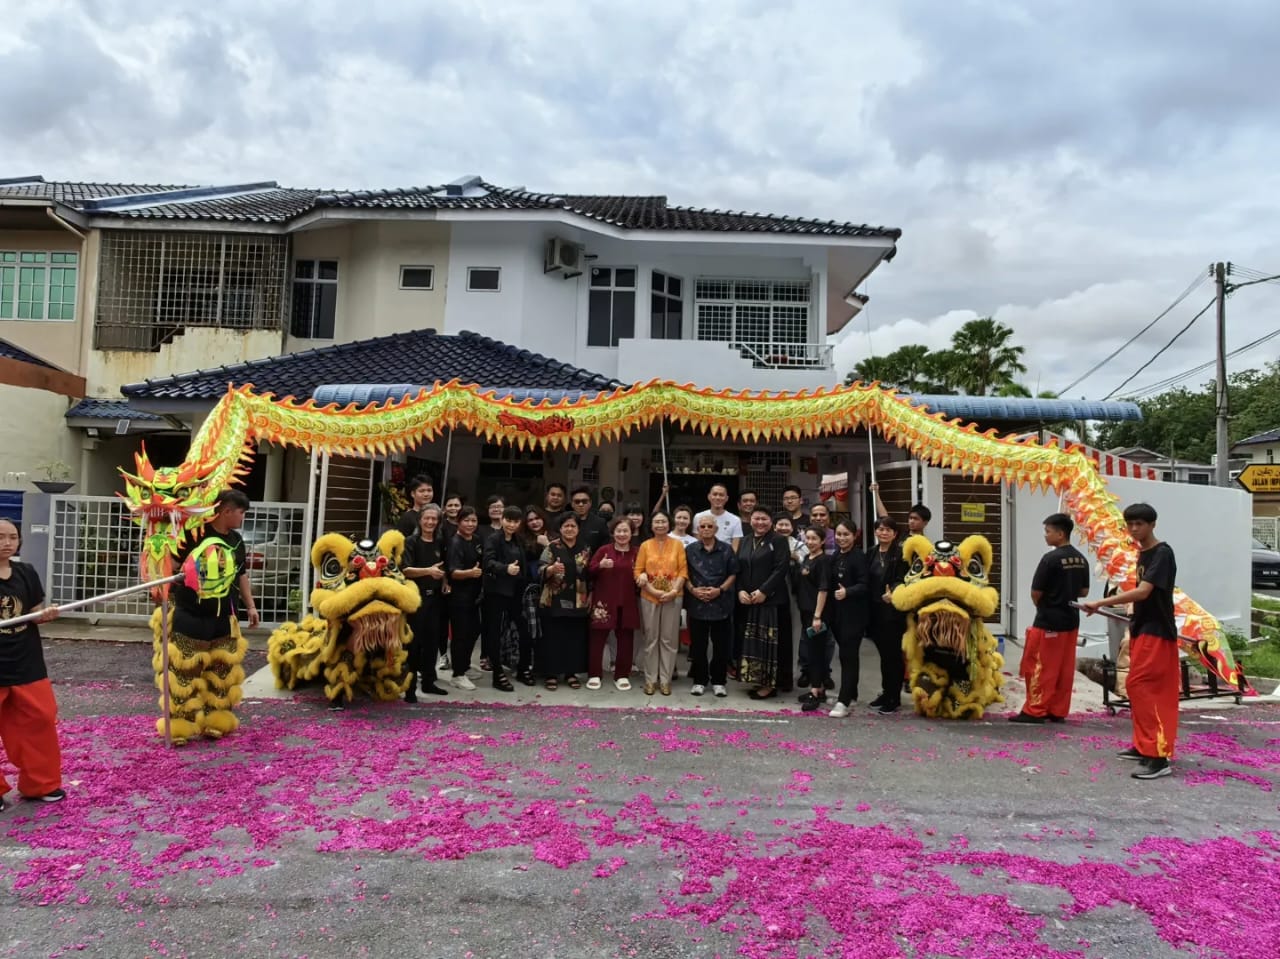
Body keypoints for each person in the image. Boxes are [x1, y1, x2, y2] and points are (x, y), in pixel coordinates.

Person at [1082, 503, 1179, 780]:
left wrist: (1100, 602)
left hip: (1157, 631)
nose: (1135, 529)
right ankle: (1144, 745)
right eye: (1131, 524)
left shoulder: (1162, 553)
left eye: (1140, 524)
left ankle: (1158, 757)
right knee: (1135, 687)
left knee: (1145, 688)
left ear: (1152, 525)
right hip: (1142, 628)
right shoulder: (1143, 553)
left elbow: (1144, 591)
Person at [167, 489, 258, 735]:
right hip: (190, 614)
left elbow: (241, 575)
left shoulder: (236, 541)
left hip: (224, 618)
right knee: (185, 672)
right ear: (226, 511)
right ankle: (181, 725)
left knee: (222, 673)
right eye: (241, 512)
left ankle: (215, 721)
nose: (242, 518)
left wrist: (250, 606)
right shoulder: (193, 534)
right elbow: (170, 567)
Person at [0, 518, 64, 810]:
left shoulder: (26, 572)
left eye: (12, 537)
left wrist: (45, 615)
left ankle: (41, 785)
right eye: (1, 537)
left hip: (26, 661)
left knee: (40, 719)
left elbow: (34, 612)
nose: (7, 542)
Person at [1011, 513, 1090, 725]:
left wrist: (1047, 605)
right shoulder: (1081, 559)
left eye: (1048, 531)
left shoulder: (1050, 559)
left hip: (1048, 621)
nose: (1045, 536)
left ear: (1060, 533)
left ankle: (1035, 710)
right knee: (1064, 668)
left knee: (1040, 666)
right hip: (1071, 621)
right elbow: (1083, 591)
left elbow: (1036, 592)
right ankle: (1057, 709)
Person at [736, 506, 792, 699]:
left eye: (764, 519)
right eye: (756, 519)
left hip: (771, 601)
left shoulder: (778, 540)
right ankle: (757, 678)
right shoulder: (745, 541)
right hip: (750, 600)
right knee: (754, 643)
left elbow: (781, 568)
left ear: (771, 522)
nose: (760, 523)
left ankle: (771, 684)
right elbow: (739, 568)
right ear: (750, 520)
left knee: (770, 644)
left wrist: (764, 591)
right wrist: (740, 589)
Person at [634, 510, 688, 695]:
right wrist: (653, 590)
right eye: (656, 522)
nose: (660, 525)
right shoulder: (645, 545)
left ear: (669, 524)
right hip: (649, 597)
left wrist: (673, 591)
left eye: (663, 522)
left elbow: (683, 572)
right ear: (651, 525)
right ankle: (650, 680)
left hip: (673, 597)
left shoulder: (678, 545)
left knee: (669, 640)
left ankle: (665, 680)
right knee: (651, 639)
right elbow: (638, 571)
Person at [684, 514, 738, 697]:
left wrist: (720, 590)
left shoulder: (726, 549)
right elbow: (684, 574)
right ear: (697, 530)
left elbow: (733, 573)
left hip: (721, 604)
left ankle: (718, 681)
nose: (706, 529)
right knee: (698, 646)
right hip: (697, 604)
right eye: (702, 526)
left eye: (709, 526)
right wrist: (693, 590)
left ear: (715, 529)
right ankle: (699, 680)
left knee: (721, 646)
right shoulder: (690, 550)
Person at [537, 513, 592, 690]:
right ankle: (551, 674)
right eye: (566, 526)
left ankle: (571, 673)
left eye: (573, 526)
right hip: (554, 599)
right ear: (560, 529)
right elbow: (539, 571)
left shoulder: (585, 548)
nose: (569, 529)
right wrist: (551, 569)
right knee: (553, 638)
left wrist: (591, 594)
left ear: (578, 529)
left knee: (574, 638)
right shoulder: (552, 547)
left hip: (578, 599)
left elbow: (590, 574)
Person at [400, 504, 449, 700]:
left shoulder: (439, 542)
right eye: (427, 518)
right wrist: (428, 571)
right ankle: (410, 689)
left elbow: (443, 566)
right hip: (416, 599)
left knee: (432, 642)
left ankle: (429, 682)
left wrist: (445, 581)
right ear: (420, 520)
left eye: (434, 519)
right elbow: (405, 570)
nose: (430, 522)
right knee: (414, 644)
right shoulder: (410, 542)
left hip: (435, 598)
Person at [586, 518, 640, 690]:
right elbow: (589, 571)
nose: (622, 534)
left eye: (626, 531)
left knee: (626, 638)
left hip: (628, 600)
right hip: (604, 600)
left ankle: (622, 674)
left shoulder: (637, 552)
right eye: (619, 531)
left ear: (632, 533)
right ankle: (594, 674)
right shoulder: (604, 550)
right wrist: (600, 565)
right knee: (597, 638)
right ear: (612, 533)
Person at [825, 519, 870, 718]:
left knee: (848, 656)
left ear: (855, 536)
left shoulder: (858, 556)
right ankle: (851, 694)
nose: (842, 538)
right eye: (839, 534)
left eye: (846, 535)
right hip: (837, 613)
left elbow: (865, 584)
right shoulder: (836, 554)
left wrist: (848, 592)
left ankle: (843, 701)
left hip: (854, 614)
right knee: (844, 655)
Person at [482, 505, 529, 693]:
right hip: (496, 592)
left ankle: (523, 668)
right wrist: (505, 568)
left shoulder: (519, 539)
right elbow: (488, 562)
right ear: (502, 520)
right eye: (508, 520)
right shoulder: (493, 539)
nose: (511, 524)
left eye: (515, 521)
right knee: (494, 632)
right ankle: (497, 674)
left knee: (524, 629)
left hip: (516, 591)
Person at [865, 516, 908, 713]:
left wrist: (895, 591)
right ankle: (886, 691)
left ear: (895, 534)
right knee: (883, 656)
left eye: (888, 530)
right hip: (875, 612)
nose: (883, 533)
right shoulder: (871, 553)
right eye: (880, 529)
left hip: (893, 613)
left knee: (893, 657)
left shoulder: (900, 555)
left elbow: (904, 579)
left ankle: (894, 697)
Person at [793, 527, 833, 712]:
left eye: (814, 538)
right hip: (805, 611)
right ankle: (818, 688)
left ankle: (816, 691)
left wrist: (818, 616)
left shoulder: (823, 561)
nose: (810, 542)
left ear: (823, 541)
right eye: (807, 538)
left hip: (816, 614)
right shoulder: (808, 558)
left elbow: (823, 589)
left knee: (817, 652)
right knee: (811, 651)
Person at [445, 506, 484, 689]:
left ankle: (465, 666)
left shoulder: (476, 540)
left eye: (473, 521)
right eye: (466, 520)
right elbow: (453, 573)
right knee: (460, 635)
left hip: (475, 596)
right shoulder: (455, 542)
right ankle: (457, 675)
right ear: (459, 522)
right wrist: (470, 573)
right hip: (459, 597)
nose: (470, 524)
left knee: (474, 631)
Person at [517, 506, 553, 685]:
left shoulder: (553, 537)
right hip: (529, 591)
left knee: (547, 631)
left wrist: (547, 544)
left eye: (537, 518)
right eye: (530, 520)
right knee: (529, 631)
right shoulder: (521, 539)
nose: (534, 522)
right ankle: (525, 669)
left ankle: (544, 667)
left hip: (550, 591)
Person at [694, 484, 743, 551]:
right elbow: (697, 543)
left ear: (727, 498)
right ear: (709, 497)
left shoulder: (735, 520)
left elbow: (735, 547)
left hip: (726, 558)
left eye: (721, 495)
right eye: (715, 494)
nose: (718, 497)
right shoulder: (698, 517)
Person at [564, 486, 609, 555]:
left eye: (584, 501)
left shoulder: (600, 523)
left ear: (590, 503)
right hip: (568, 562)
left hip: (593, 563)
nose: (581, 504)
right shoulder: (564, 522)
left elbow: (605, 547)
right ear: (572, 504)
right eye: (577, 502)